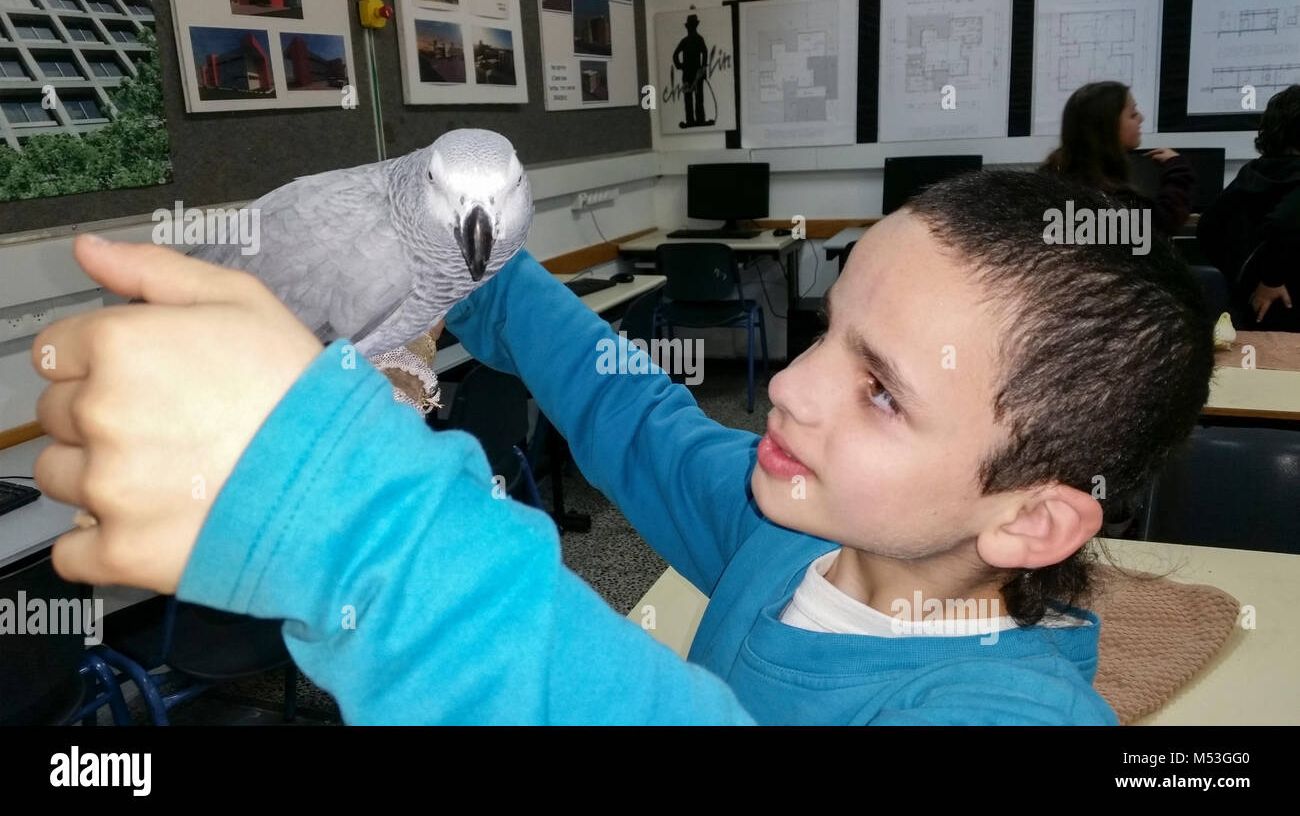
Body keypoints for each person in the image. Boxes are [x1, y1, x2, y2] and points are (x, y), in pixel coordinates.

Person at [33, 171, 1214, 725]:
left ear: (1030, 521)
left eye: (880, 390)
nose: (791, 387)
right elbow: (631, 411)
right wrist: (470, 271)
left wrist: (359, 524)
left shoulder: (1010, 715)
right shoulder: (788, 531)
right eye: (825, 329)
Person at [1197, 84, 1300, 331]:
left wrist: (1240, 275)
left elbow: (1207, 226)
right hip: (1285, 300)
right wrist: (1271, 280)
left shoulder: (1253, 171)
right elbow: (1281, 223)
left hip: (1250, 303)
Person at [1041, 81, 1196, 237]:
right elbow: (1159, 226)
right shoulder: (1110, 197)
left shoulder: (1052, 179)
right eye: (1133, 114)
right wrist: (1178, 169)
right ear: (1109, 126)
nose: (1141, 118)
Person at [673, 13, 709, 129]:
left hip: (692, 75)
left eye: (691, 27)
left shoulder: (690, 40)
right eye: (691, 27)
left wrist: (680, 66)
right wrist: (680, 66)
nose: (691, 29)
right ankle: (697, 121)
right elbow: (705, 53)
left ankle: (695, 121)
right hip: (693, 74)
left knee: (694, 98)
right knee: (694, 98)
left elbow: (705, 53)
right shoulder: (696, 39)